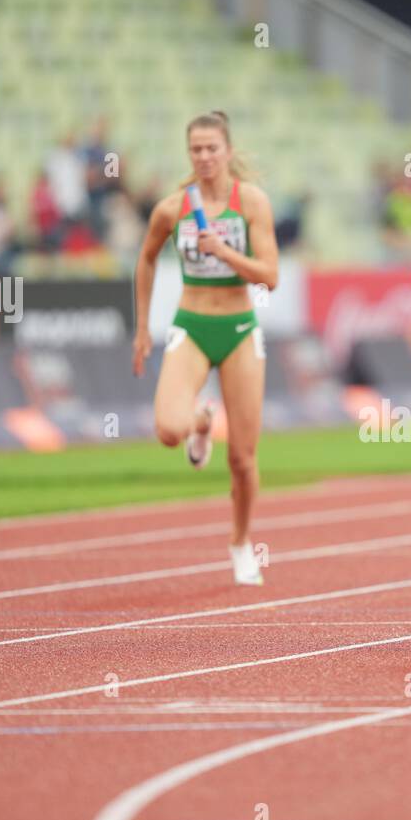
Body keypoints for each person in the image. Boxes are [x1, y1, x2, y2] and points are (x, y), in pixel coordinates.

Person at [132, 111, 279, 586]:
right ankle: (200, 423)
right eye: (196, 149)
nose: (204, 156)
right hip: (191, 325)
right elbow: (147, 259)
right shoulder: (172, 209)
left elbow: (270, 276)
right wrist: (141, 328)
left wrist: (226, 252)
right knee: (168, 429)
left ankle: (240, 544)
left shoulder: (251, 202)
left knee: (242, 457)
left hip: (239, 328)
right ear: (188, 153)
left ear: (228, 151)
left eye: (212, 147)